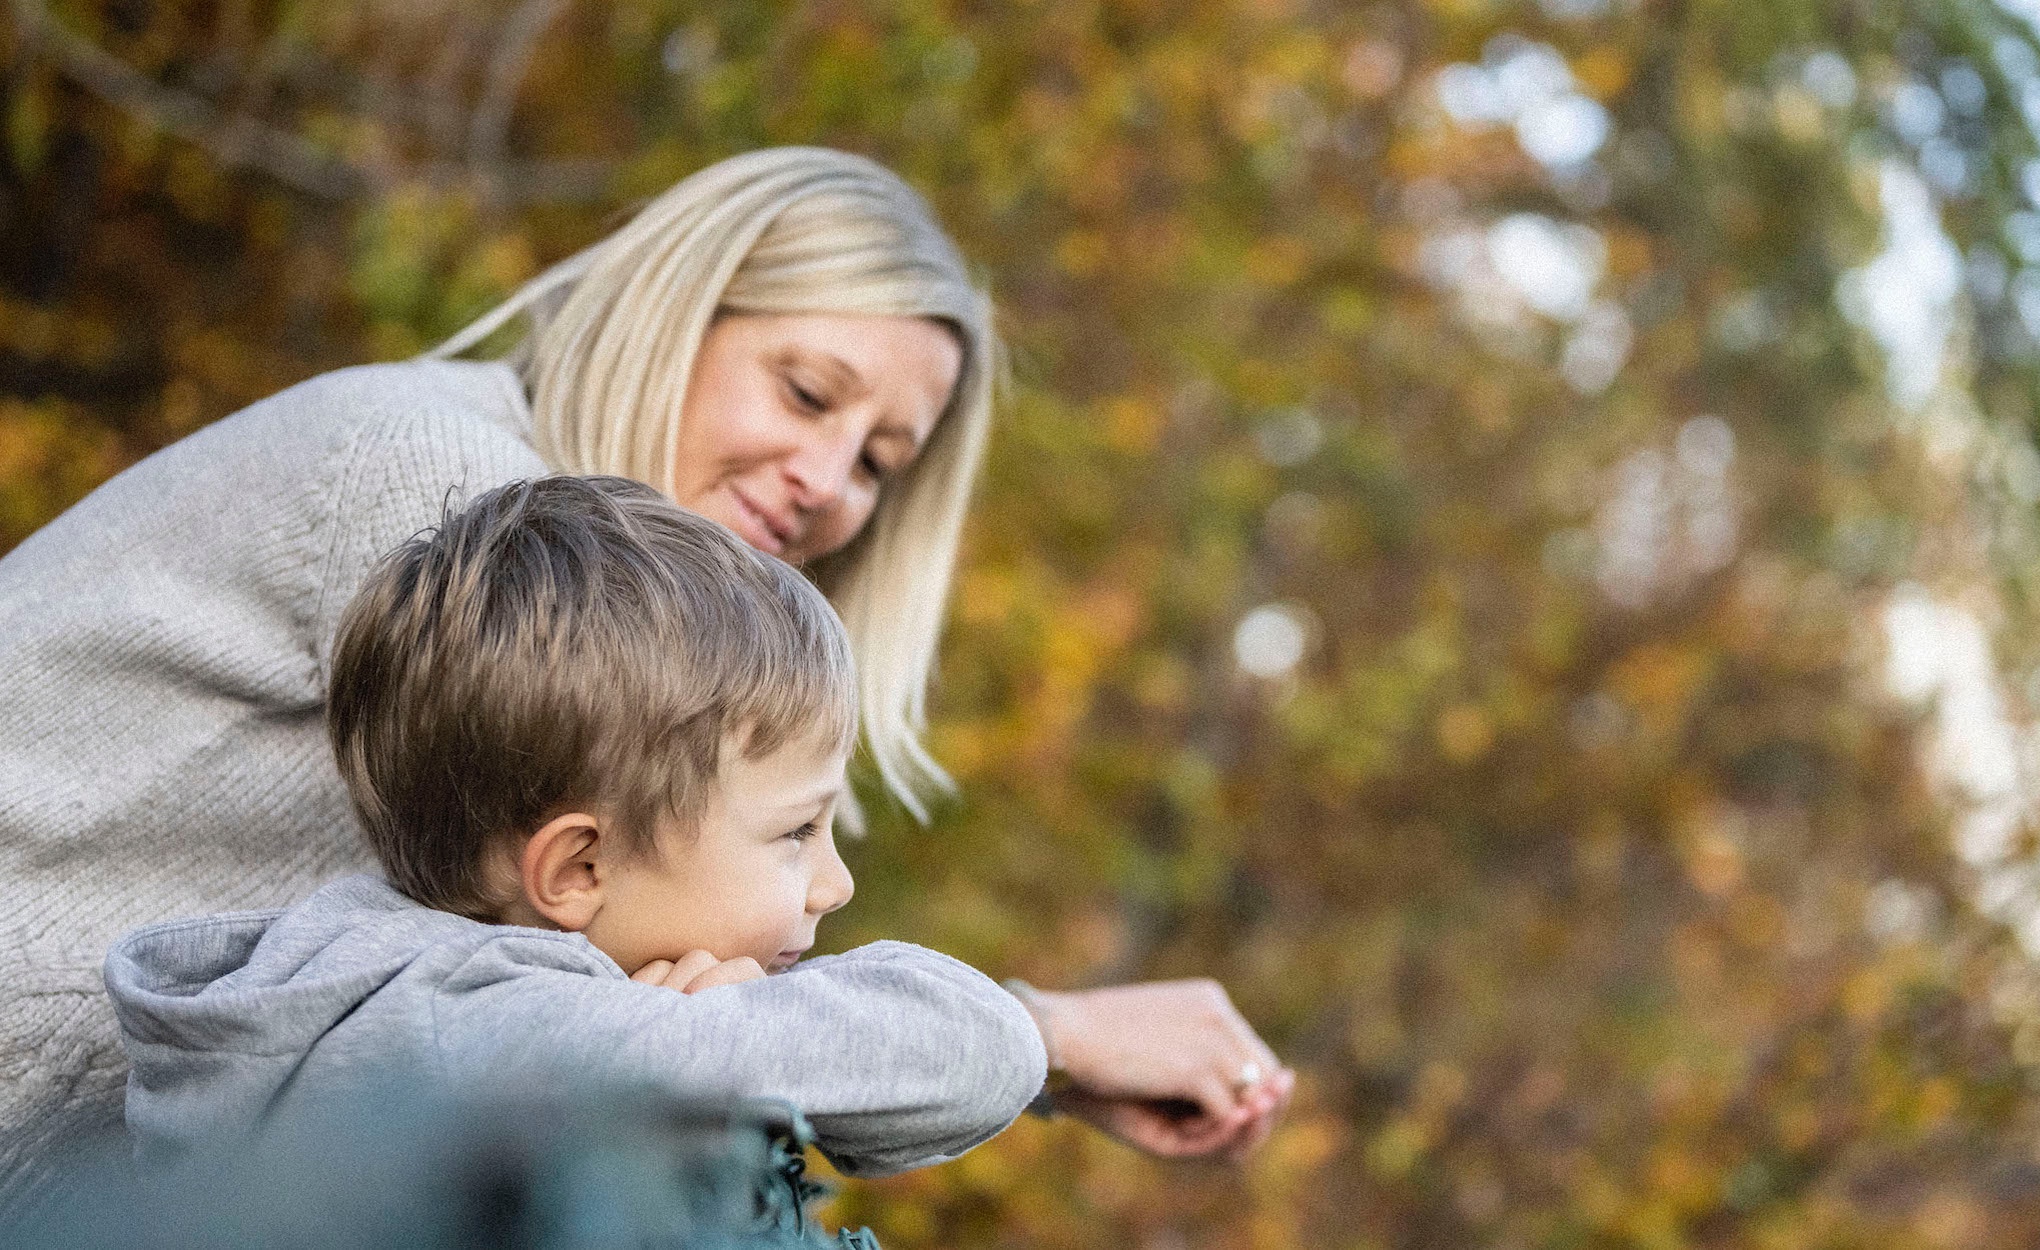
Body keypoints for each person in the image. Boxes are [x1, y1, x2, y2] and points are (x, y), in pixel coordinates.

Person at [0, 146, 1290, 1196]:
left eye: (880, 459)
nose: (830, 481)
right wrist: (1049, 1037)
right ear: (675, 315)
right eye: (803, 391)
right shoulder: (460, 507)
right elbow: (649, 1036)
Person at [107, 476, 1043, 1176]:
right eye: (796, 833)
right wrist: (711, 1027)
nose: (833, 885)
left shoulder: (372, 976)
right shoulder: (501, 1038)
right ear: (578, 869)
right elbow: (984, 1053)